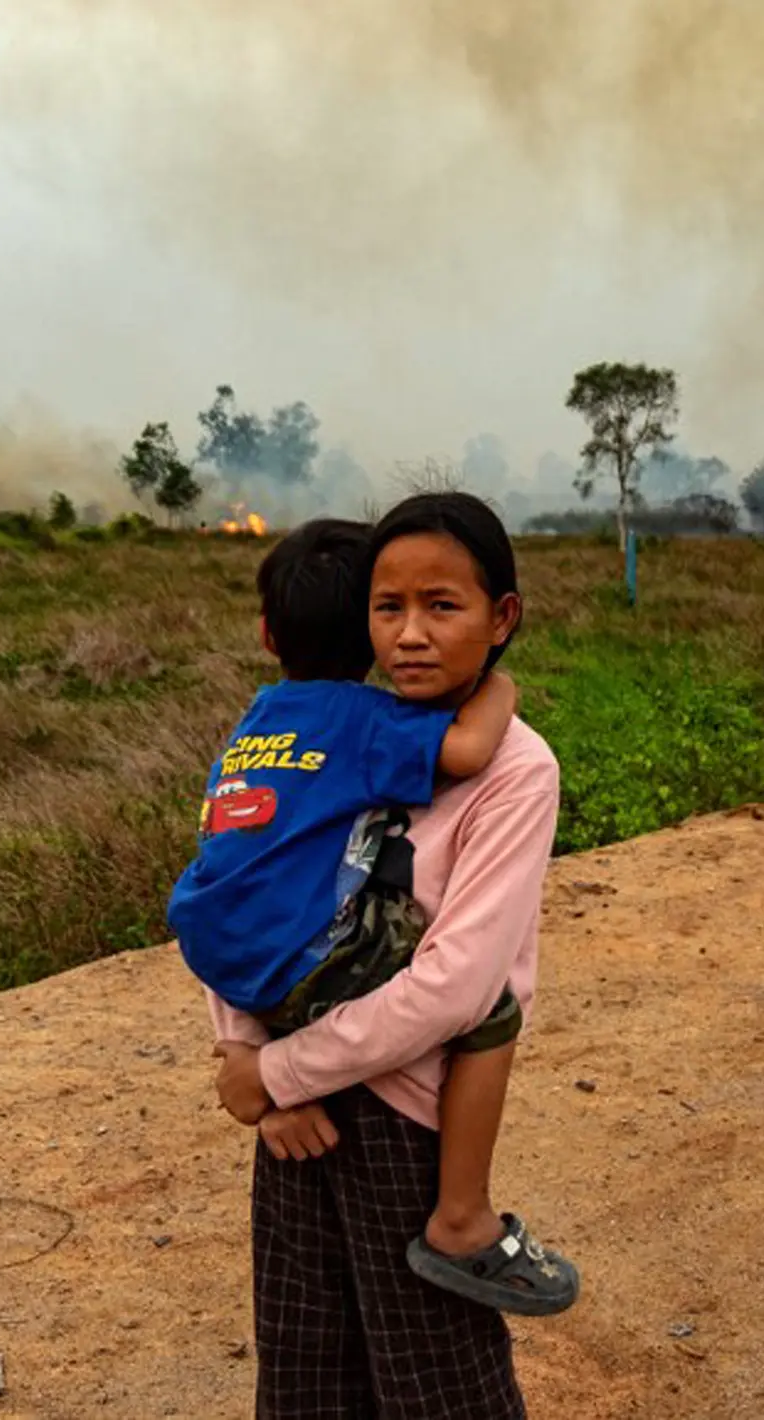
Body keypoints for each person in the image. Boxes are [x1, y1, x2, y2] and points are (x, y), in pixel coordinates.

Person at [206, 494, 567, 1414]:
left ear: (501, 617)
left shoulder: (515, 771)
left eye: (442, 606)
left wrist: (274, 1071)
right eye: (388, 607)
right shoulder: (339, 736)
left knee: (434, 1375)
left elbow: (455, 988)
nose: (410, 634)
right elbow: (241, 888)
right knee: (306, 1364)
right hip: (296, 1111)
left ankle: (462, 1216)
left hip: (404, 1112)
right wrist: (244, 1050)